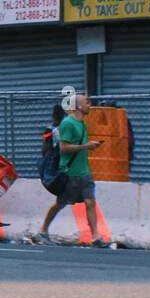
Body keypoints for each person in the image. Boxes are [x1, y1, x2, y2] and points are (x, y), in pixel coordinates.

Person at [38, 93, 105, 247]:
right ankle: (42, 231)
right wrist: (86, 146)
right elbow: (64, 148)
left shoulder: (81, 123)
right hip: (70, 173)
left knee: (90, 202)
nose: (90, 105)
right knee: (60, 203)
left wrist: (90, 145)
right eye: (87, 102)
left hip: (84, 172)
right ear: (79, 106)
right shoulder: (68, 123)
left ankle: (95, 237)